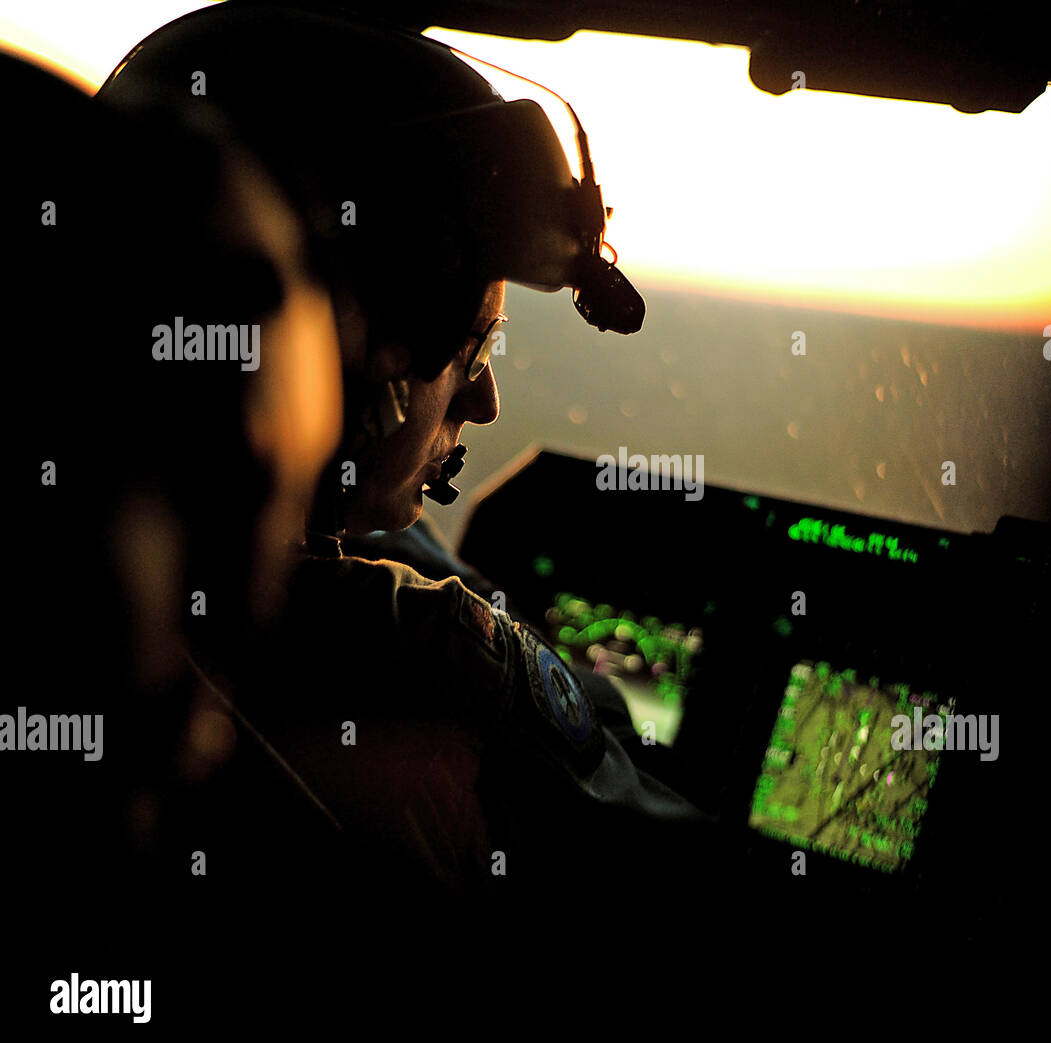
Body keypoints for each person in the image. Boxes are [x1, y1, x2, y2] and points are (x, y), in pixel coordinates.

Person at [98, 1, 715, 896]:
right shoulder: (428, 656)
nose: (486, 399)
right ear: (366, 353)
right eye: (476, 347)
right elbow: (690, 873)